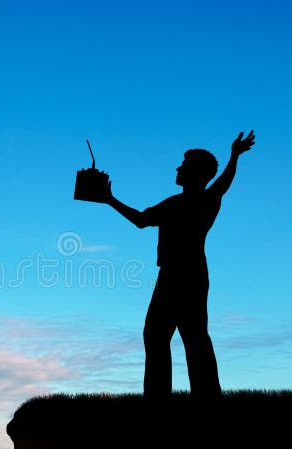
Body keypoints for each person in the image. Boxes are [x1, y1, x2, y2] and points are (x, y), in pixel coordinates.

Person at [103, 131, 255, 397]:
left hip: (187, 275)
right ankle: (166, 397)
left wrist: (234, 156)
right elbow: (141, 220)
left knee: (188, 338)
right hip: (174, 275)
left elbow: (223, 182)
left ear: (196, 172)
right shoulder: (179, 202)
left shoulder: (203, 200)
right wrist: (109, 199)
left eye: (184, 165)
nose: (178, 168)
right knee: (161, 335)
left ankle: (197, 397)